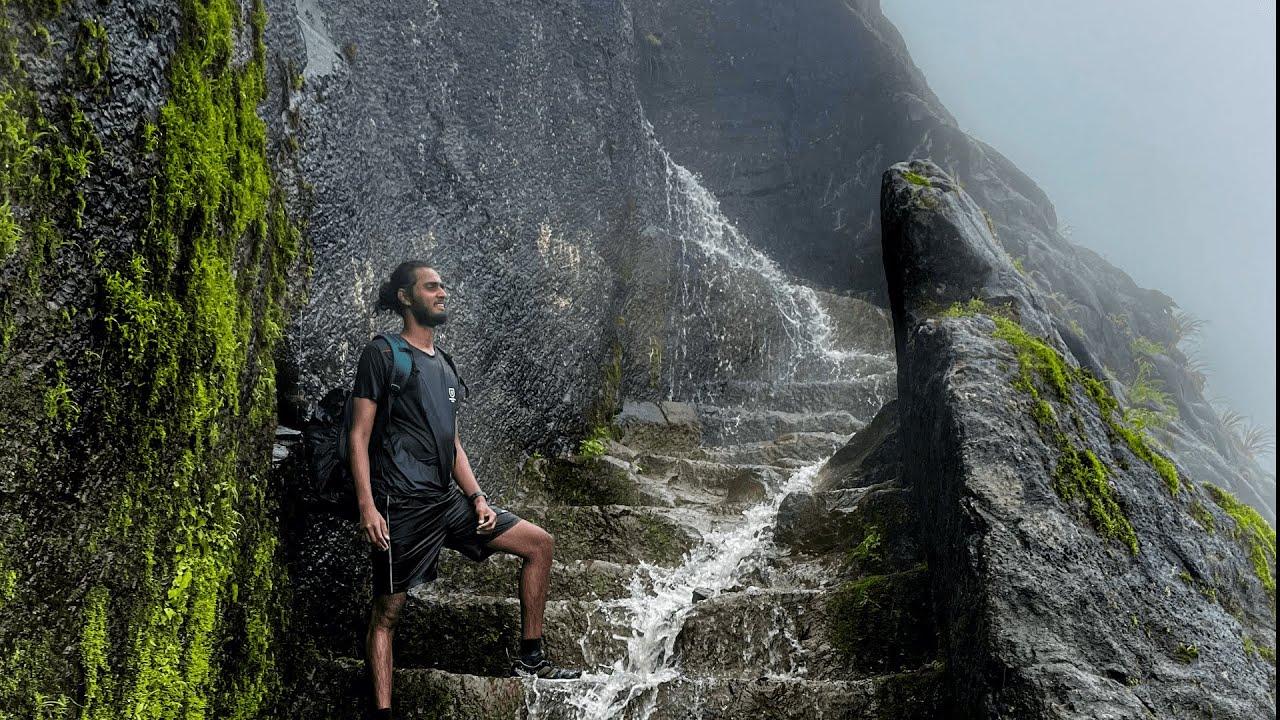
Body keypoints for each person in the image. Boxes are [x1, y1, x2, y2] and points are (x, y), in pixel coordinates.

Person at [350, 260, 580, 718]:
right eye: (431, 287)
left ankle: (531, 659)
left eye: (443, 287)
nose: (442, 293)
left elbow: (451, 443)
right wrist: (368, 507)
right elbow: (358, 434)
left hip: (446, 503)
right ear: (405, 297)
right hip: (401, 505)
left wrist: (477, 499)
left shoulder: (446, 366)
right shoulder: (383, 354)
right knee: (387, 615)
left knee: (539, 544)